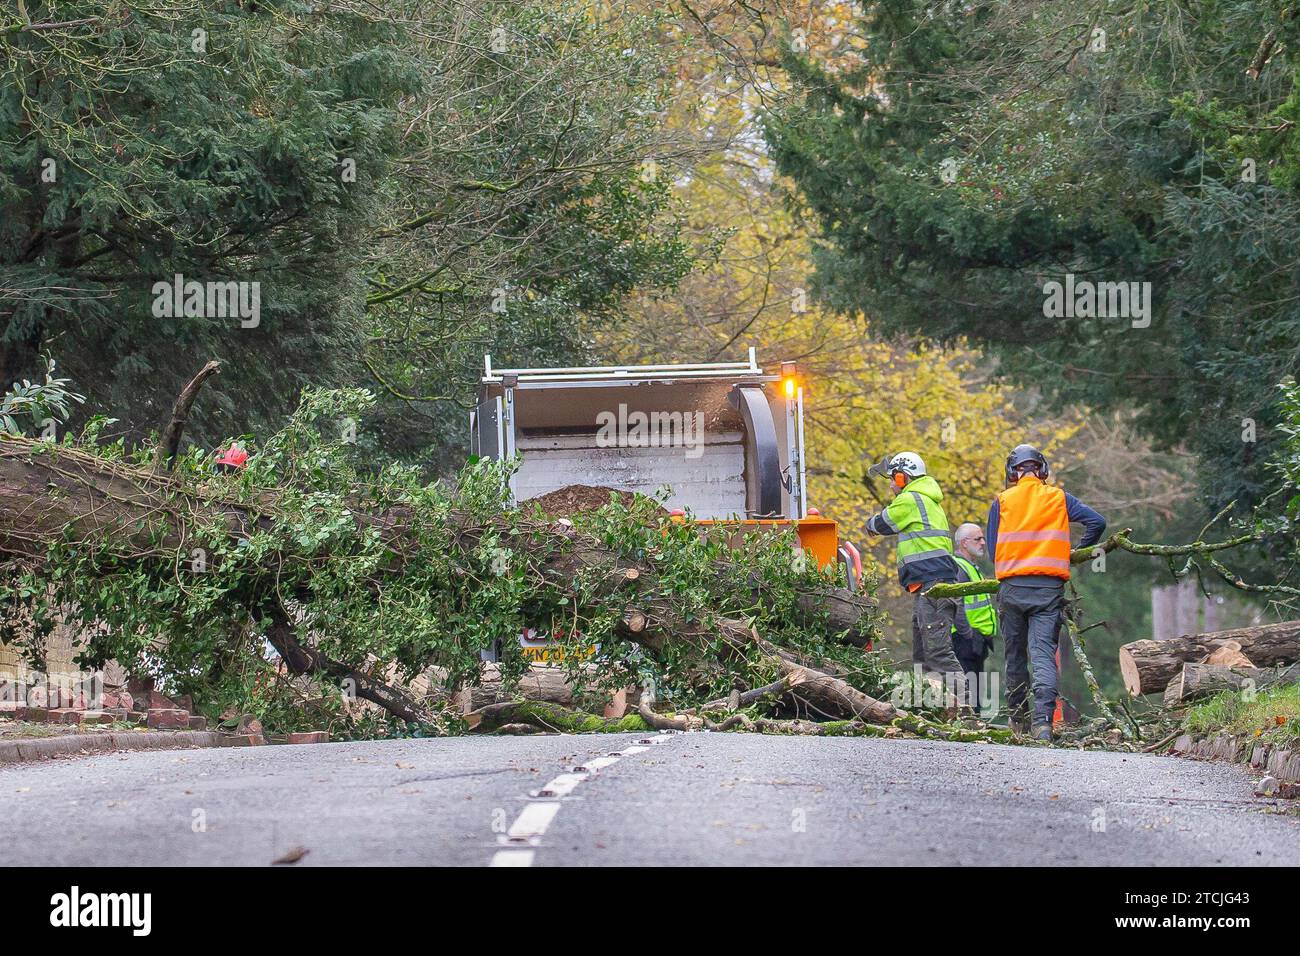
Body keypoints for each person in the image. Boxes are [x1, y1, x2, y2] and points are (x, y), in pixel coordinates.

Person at [986, 445, 1105, 740]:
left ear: (1012, 473)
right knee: (1042, 655)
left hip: (1012, 588)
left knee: (1014, 655)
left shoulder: (1002, 501)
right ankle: (1043, 724)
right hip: (1048, 589)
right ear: (1043, 470)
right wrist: (1076, 551)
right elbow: (1097, 522)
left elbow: (992, 550)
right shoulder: (1058, 497)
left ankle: (1018, 721)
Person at [866, 451, 969, 706]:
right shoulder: (929, 500)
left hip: (934, 586)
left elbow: (880, 524)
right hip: (929, 585)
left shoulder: (911, 499)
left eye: (893, 478)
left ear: (904, 477)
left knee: (938, 653)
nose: (890, 484)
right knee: (923, 655)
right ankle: (931, 706)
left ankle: (966, 708)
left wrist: (868, 524)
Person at [951, 522, 997, 707]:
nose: (983, 542)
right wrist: (969, 634)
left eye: (983, 538)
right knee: (968, 691)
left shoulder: (970, 567)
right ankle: (970, 724)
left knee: (974, 689)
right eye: (978, 539)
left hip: (976, 639)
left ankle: (973, 722)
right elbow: (957, 604)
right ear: (964, 543)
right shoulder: (960, 568)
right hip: (966, 640)